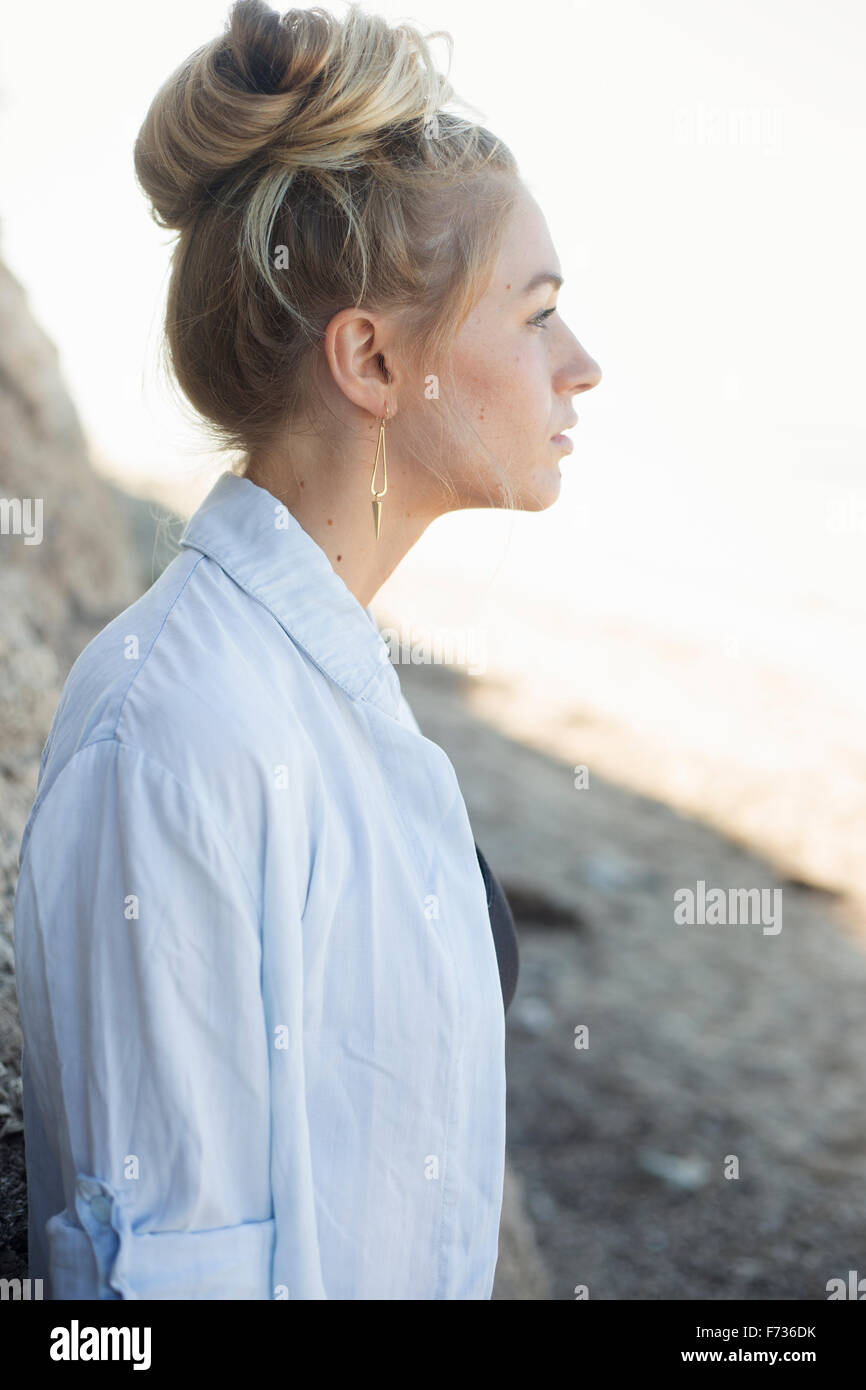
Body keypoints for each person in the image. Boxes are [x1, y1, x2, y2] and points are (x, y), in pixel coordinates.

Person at [12, 0, 602, 1300]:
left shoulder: (321, 695)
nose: (581, 366)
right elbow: (164, 1286)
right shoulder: (183, 731)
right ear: (374, 358)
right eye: (537, 313)